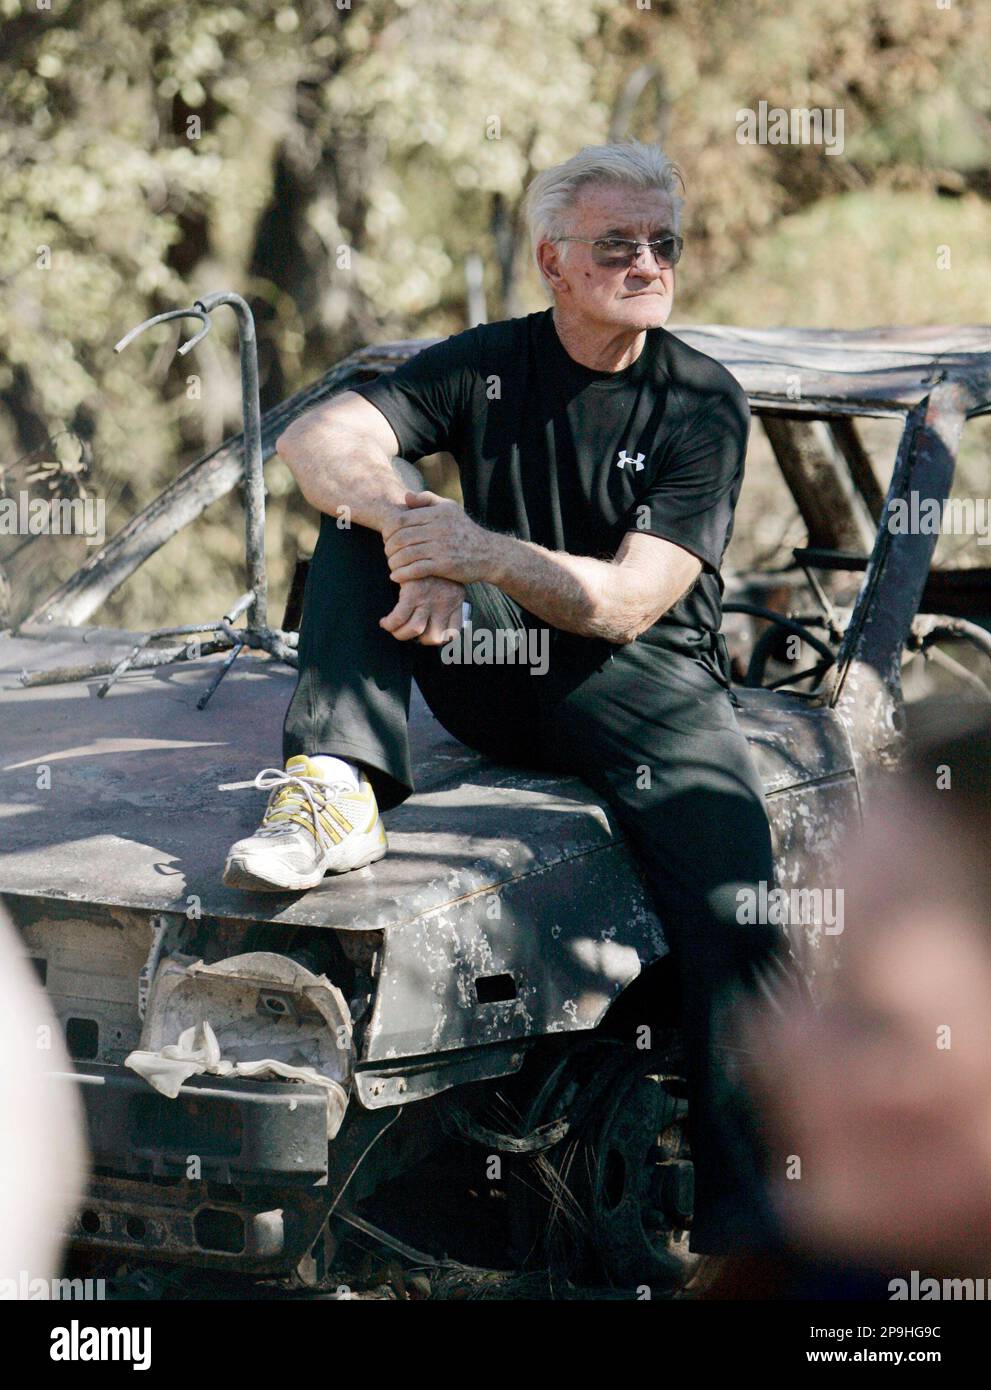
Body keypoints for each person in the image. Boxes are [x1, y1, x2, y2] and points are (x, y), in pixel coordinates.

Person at [223, 141, 791, 1255]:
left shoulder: (700, 400)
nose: (646, 263)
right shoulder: (489, 361)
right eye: (617, 243)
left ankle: (753, 1239)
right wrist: (408, 526)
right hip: (493, 667)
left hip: (648, 694)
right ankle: (333, 784)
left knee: (743, 919)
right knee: (354, 525)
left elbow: (630, 601)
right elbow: (315, 435)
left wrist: (471, 548)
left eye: (662, 243)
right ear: (552, 261)